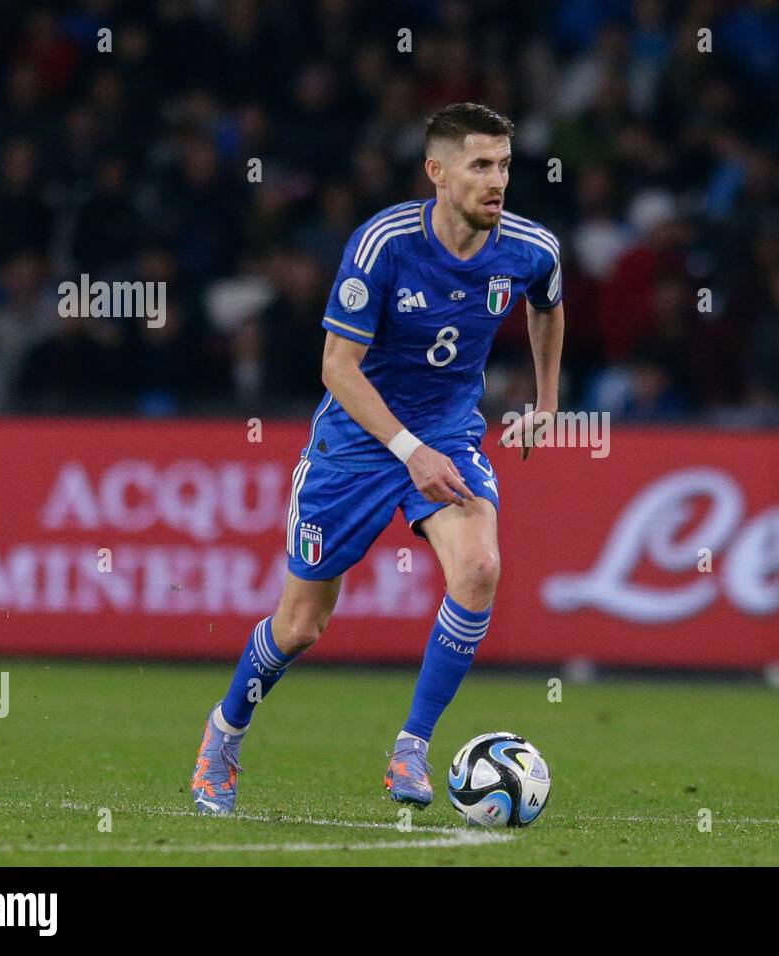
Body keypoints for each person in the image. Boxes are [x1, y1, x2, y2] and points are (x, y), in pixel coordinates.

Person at [190, 103, 564, 814]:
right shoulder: (384, 243)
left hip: (449, 433)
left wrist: (546, 402)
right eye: (480, 166)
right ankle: (223, 737)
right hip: (357, 445)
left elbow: (548, 301)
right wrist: (407, 450)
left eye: (505, 166)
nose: (497, 182)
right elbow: (337, 367)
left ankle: (410, 750)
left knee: (481, 567)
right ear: (437, 172)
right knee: (301, 625)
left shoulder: (529, 247)